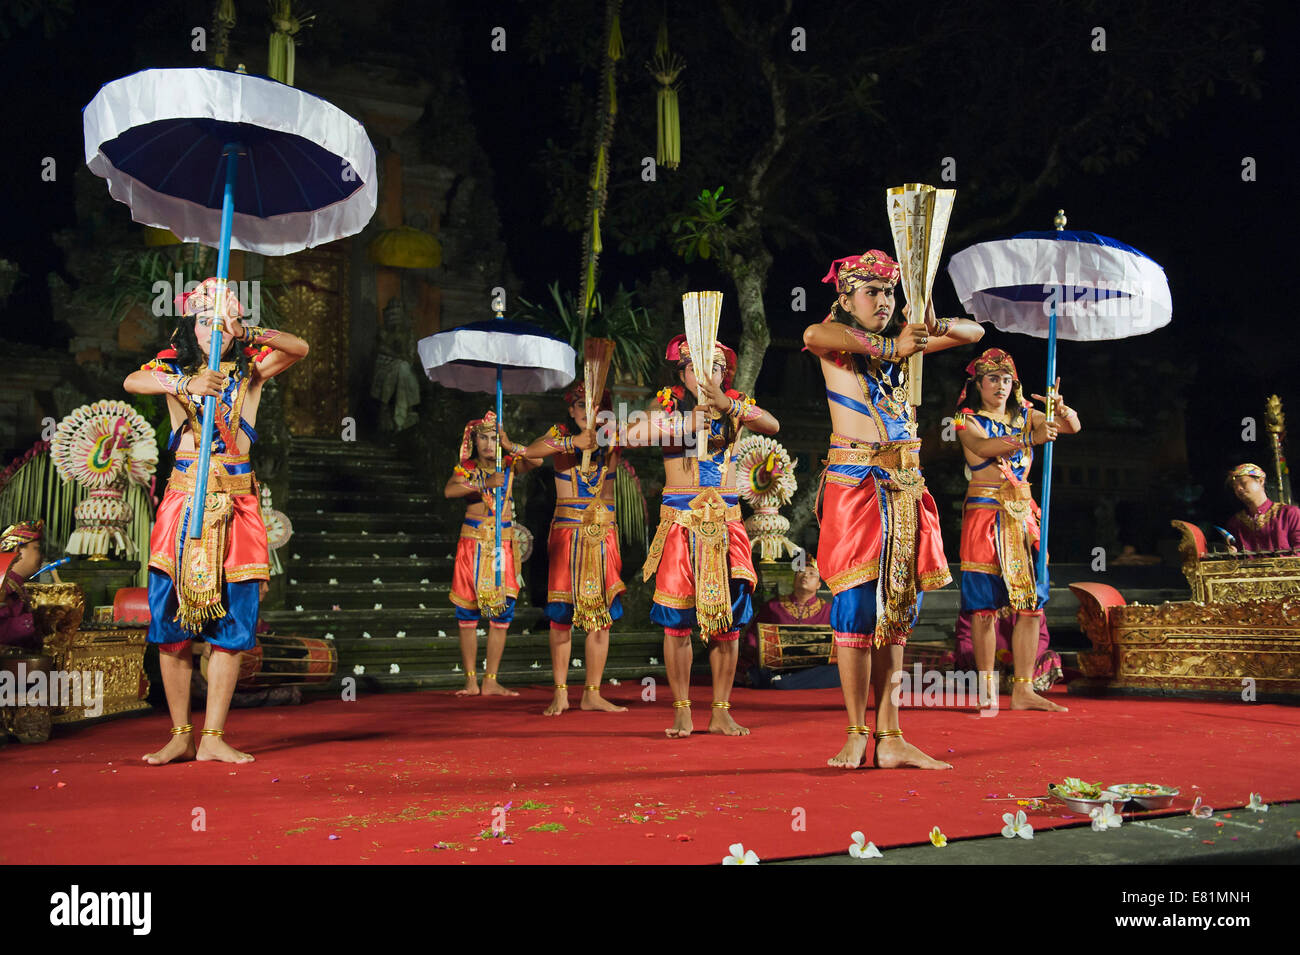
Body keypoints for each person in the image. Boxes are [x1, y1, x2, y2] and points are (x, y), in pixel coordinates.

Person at [802, 250, 983, 770]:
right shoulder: (838, 346)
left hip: (904, 488)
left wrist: (926, 321)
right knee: (856, 609)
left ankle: (892, 735)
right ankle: (857, 731)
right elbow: (815, 334)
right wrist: (891, 343)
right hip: (856, 486)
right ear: (846, 298)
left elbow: (972, 334)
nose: (883, 301)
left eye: (889, 292)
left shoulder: (906, 343)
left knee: (899, 612)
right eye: (871, 292)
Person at [124, 277, 309, 764]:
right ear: (190, 324)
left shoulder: (248, 371)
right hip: (183, 501)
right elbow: (131, 381)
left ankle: (213, 736)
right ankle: (181, 733)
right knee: (170, 623)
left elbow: (299, 347)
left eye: (225, 321)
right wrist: (185, 383)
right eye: (206, 320)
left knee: (234, 623)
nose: (216, 329)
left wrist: (248, 333)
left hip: (238, 502)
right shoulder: (172, 365)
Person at [631, 336, 779, 738]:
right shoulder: (667, 406)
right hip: (681, 523)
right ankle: (681, 709)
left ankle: (721, 710)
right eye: (696, 368)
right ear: (682, 374)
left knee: (727, 624)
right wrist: (686, 422)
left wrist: (729, 406)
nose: (706, 375)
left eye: (714, 368)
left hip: (726, 522)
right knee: (676, 623)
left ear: (723, 374)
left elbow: (772, 424)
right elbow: (631, 434)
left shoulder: (734, 407)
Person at [954, 348, 1080, 712]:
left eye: (1007, 379)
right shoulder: (967, 420)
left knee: (1031, 606)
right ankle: (988, 689)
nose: (1001, 386)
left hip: (1023, 518)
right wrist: (1029, 439)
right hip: (985, 515)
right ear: (978, 384)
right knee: (984, 607)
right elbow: (982, 447)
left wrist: (1059, 410)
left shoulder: (1027, 415)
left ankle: (1024, 689)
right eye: (992, 378)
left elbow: (1070, 428)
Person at [523, 383, 627, 716]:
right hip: (568, 532)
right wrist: (572, 442)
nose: (587, 411)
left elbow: (644, 427)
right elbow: (529, 451)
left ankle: (592, 692)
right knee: (561, 616)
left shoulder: (613, 437)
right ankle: (561, 692)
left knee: (602, 616)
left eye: (595, 406)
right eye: (582, 404)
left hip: (603, 531)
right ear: (571, 409)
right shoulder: (560, 436)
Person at [444, 411, 537, 697]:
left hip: (502, 543)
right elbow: (449, 491)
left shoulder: (509, 465)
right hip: (473, 542)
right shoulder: (467, 469)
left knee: (502, 610)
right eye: (483, 437)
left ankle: (491, 679)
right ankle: (471, 680)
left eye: (493, 437)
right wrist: (483, 484)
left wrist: (510, 446)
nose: (488, 443)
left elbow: (536, 460)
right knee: (467, 611)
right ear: (474, 440)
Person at [1225, 463, 1300, 553]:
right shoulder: (1235, 522)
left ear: (1260, 481)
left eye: (1243, 483)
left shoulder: (1289, 513)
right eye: (1235, 486)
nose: (1238, 488)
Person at [0, 520, 44, 651]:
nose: (42, 556)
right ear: (17, 550)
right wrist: (37, 620)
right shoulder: (3, 584)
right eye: (37, 548)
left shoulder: (16, 585)